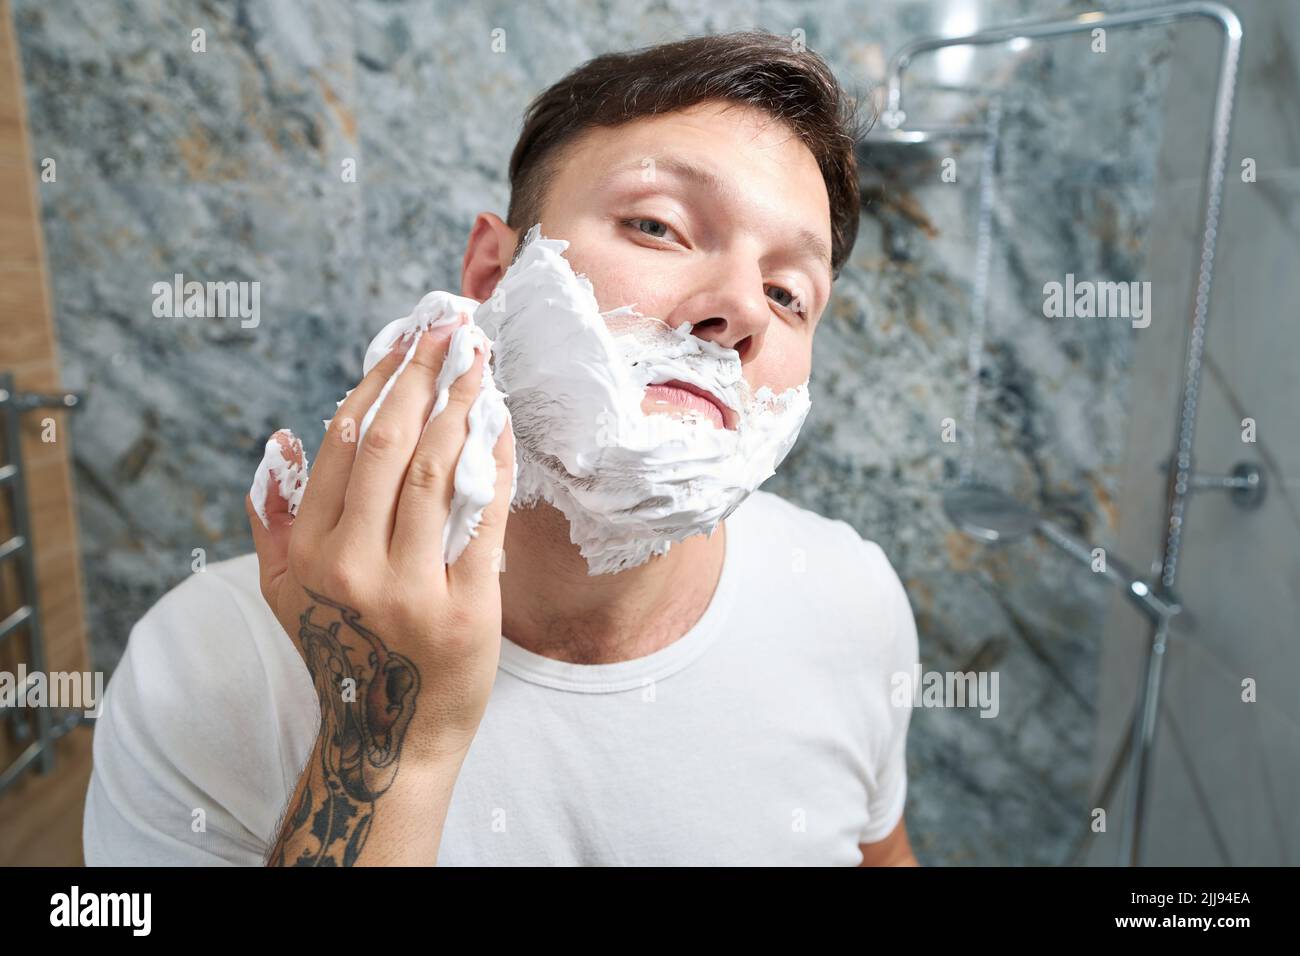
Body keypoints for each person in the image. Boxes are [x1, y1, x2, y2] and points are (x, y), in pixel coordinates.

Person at [83, 30, 920, 866]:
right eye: (659, 226)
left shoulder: (853, 602)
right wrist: (386, 742)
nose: (741, 307)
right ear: (491, 273)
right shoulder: (201, 668)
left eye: (787, 293)